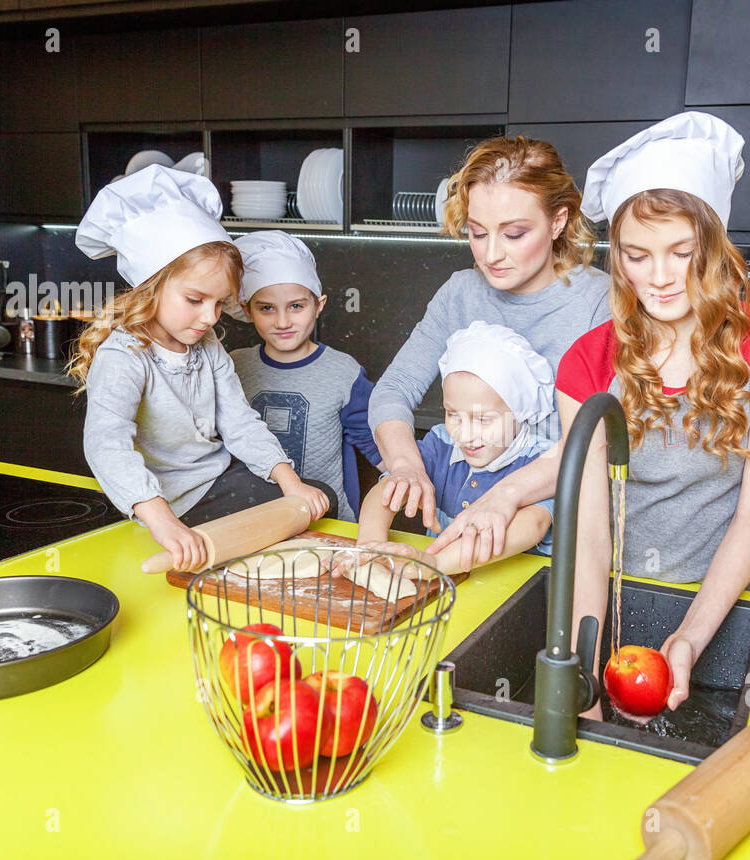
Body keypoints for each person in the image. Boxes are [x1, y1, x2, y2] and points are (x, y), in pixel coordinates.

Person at [556, 112, 750, 711]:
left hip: (718, 611)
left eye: (681, 252)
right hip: (610, 611)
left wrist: (689, 640)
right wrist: (584, 672)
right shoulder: (585, 365)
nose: (661, 277)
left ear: (715, 247)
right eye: (636, 256)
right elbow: (589, 537)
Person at [69, 166, 330, 572]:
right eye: (195, 299)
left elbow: (240, 422)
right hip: (171, 501)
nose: (210, 317)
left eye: (220, 303)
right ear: (151, 287)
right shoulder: (126, 355)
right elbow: (106, 445)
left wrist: (288, 478)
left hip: (219, 479)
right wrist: (163, 522)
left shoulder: (205, 346)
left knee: (313, 495)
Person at [368, 135, 609, 567]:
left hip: (566, 547)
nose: (492, 254)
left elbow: (594, 442)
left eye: (515, 233)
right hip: (461, 539)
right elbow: (394, 391)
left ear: (558, 222)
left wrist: (507, 494)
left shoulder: (599, 304)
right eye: (478, 233)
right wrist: (406, 464)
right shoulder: (460, 294)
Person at [346, 322, 555, 575]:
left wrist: (434, 564)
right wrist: (371, 544)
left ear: (520, 411)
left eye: (482, 419)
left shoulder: (542, 462)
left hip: (509, 592)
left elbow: (534, 523)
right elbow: (386, 492)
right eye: (453, 414)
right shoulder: (441, 443)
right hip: (448, 588)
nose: (464, 434)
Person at [228, 231, 383, 522]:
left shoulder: (343, 371)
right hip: (249, 520)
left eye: (296, 306)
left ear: (318, 305)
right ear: (247, 309)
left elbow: (376, 441)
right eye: (267, 308)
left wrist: (405, 472)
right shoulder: (233, 367)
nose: (283, 321)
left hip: (326, 520)